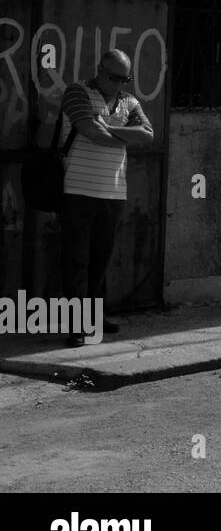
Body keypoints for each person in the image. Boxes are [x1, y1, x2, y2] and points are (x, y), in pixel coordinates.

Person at [59, 50, 154, 346]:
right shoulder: (78, 92)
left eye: (125, 79)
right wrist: (126, 134)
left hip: (112, 191)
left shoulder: (129, 101)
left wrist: (109, 129)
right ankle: (75, 325)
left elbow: (149, 134)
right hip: (77, 189)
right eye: (114, 77)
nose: (119, 84)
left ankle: (94, 318)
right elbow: (89, 130)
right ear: (99, 70)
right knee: (76, 260)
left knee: (100, 259)